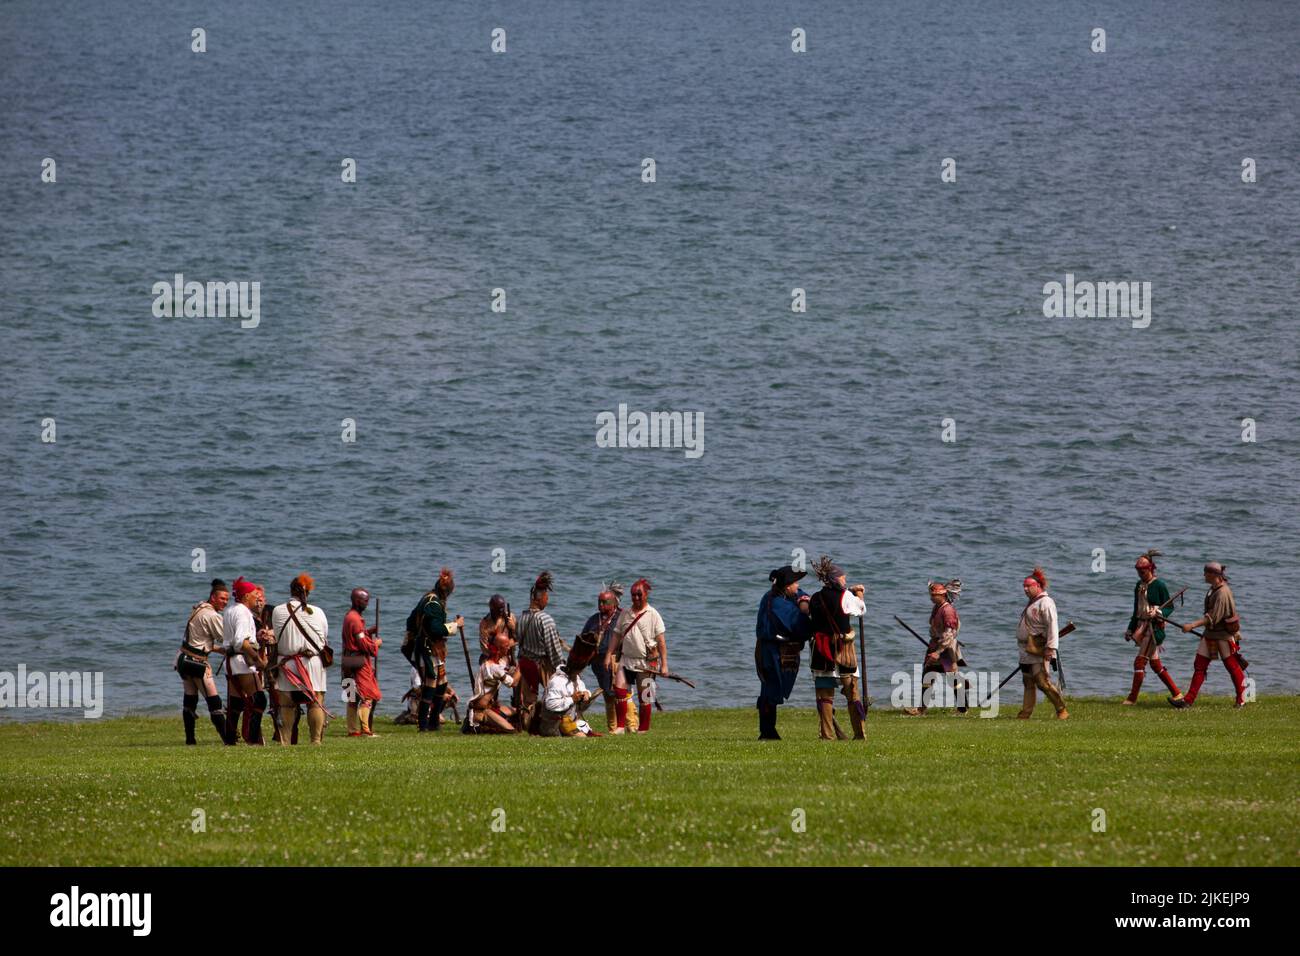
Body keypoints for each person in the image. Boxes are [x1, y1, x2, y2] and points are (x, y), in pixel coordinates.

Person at [1171, 562, 1248, 708]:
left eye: (1206, 572)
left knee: (1232, 666)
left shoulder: (1222, 592)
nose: (1204, 575)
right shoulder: (1213, 589)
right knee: (1199, 666)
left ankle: (1242, 700)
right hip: (1210, 633)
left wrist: (1192, 625)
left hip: (1223, 635)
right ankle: (1188, 701)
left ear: (1213, 574)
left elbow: (1213, 617)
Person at [807, 556, 868, 739]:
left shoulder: (816, 597)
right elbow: (861, 609)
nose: (845, 579)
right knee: (852, 694)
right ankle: (859, 734)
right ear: (835, 579)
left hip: (820, 652)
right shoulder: (847, 596)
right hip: (843, 651)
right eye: (842, 577)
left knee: (825, 696)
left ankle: (827, 735)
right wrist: (859, 595)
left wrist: (849, 592)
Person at [272, 573, 331, 745]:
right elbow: (324, 638)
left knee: (286, 705)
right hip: (312, 663)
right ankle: (315, 741)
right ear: (308, 593)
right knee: (315, 703)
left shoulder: (277, 611)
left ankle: (285, 741)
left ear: (291, 591)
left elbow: (276, 636)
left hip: (287, 664)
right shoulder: (318, 612)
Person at [755, 566, 812, 740]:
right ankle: (767, 731)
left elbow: (800, 593)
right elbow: (798, 625)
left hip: (771, 649)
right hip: (773, 652)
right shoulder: (779, 603)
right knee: (770, 691)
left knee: (770, 690)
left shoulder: (775, 595)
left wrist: (803, 599)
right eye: (795, 583)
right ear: (787, 586)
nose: (797, 585)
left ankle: (767, 731)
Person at [403, 568, 463, 732]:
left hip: (435, 649)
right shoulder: (433, 604)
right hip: (428, 650)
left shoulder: (428, 598)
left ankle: (434, 721)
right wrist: (455, 625)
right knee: (431, 684)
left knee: (442, 684)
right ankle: (424, 725)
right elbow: (435, 629)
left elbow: (411, 620)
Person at [606, 578, 667, 734]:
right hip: (626, 660)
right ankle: (620, 727)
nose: (636, 598)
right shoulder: (625, 613)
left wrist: (664, 665)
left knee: (646, 697)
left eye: (639, 595)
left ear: (646, 594)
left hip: (647, 663)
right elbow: (616, 636)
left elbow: (661, 643)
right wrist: (608, 655)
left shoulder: (654, 614)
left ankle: (643, 729)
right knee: (619, 690)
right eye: (633, 595)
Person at [1123, 551, 1183, 705]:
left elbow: (1169, 607)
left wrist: (1159, 611)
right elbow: (1136, 610)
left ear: (1150, 569)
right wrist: (1130, 628)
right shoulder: (1138, 585)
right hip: (1141, 627)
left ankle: (1132, 698)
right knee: (1155, 664)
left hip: (1154, 629)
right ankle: (1177, 694)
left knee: (1139, 663)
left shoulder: (1159, 585)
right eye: (1138, 571)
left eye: (1142, 571)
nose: (1140, 574)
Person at [175, 579, 230, 744]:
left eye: (227, 599)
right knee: (215, 703)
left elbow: (199, 639)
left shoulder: (199, 607)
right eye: (222, 599)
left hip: (182, 659)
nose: (225, 602)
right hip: (197, 663)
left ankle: (190, 740)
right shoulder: (212, 615)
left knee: (190, 700)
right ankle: (228, 740)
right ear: (213, 597)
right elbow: (226, 638)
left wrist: (217, 649)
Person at [902, 579, 968, 716]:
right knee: (927, 676)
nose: (931, 597)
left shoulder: (948, 610)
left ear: (942, 595)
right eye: (931, 594)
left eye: (934, 595)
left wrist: (938, 652)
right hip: (935, 645)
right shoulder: (937, 608)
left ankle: (963, 709)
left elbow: (949, 634)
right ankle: (921, 709)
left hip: (945, 649)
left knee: (953, 678)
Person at [1015, 567, 1068, 720]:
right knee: (1028, 681)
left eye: (1028, 586)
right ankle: (1025, 713)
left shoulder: (1046, 603)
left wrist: (1050, 649)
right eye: (1024, 586)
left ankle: (1061, 709)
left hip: (1039, 650)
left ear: (1037, 586)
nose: (1025, 589)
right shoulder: (1033, 603)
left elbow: (1052, 626)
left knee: (1042, 682)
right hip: (1025, 650)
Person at [222, 576, 270, 745]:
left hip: (232, 662)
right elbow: (241, 641)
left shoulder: (229, 610)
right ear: (244, 597)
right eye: (252, 594)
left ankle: (230, 740)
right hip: (242, 662)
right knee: (260, 700)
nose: (256, 597)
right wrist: (258, 660)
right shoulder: (243, 613)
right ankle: (253, 738)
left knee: (235, 704)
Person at [517, 571, 566, 734]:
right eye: (546, 596)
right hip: (542, 666)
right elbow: (554, 651)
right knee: (556, 695)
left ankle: (527, 726)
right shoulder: (545, 619)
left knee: (528, 702)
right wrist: (563, 668)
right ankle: (554, 726)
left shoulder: (521, 617)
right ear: (539, 597)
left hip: (524, 663)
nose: (548, 599)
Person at [585, 583, 637, 733]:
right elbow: (584, 639)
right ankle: (613, 728)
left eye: (604, 602)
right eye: (599, 602)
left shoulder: (623, 617)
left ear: (614, 603)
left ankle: (631, 726)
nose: (601, 605)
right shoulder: (594, 620)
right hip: (598, 664)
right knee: (608, 695)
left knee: (622, 693)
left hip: (618, 661)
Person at [539, 631, 602, 737]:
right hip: (553, 726)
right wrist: (572, 699)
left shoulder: (575, 678)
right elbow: (550, 704)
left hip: (568, 722)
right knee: (582, 738)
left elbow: (583, 689)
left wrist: (586, 694)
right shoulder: (558, 681)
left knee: (585, 731)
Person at [343, 587, 382, 736]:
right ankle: (365, 729)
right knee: (368, 694)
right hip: (359, 661)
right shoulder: (355, 619)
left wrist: (368, 632)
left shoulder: (349, 616)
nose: (367, 604)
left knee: (352, 696)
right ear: (357, 601)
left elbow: (358, 636)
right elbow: (363, 644)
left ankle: (353, 730)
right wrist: (375, 644)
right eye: (365, 601)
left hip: (348, 659)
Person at [466, 632, 520, 734]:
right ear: (498, 649)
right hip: (480, 711)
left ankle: (493, 722)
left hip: (489, 707)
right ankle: (481, 725)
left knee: (517, 711)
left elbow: (505, 664)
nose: (508, 649)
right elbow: (513, 683)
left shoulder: (498, 663)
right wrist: (521, 665)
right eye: (506, 647)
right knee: (512, 731)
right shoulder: (492, 668)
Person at [477, 594, 516, 664]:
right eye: (498, 609)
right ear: (492, 609)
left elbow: (519, 637)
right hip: (491, 656)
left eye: (502, 609)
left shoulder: (510, 617)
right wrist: (495, 656)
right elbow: (484, 646)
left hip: (507, 655)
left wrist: (513, 627)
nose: (501, 611)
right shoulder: (485, 623)